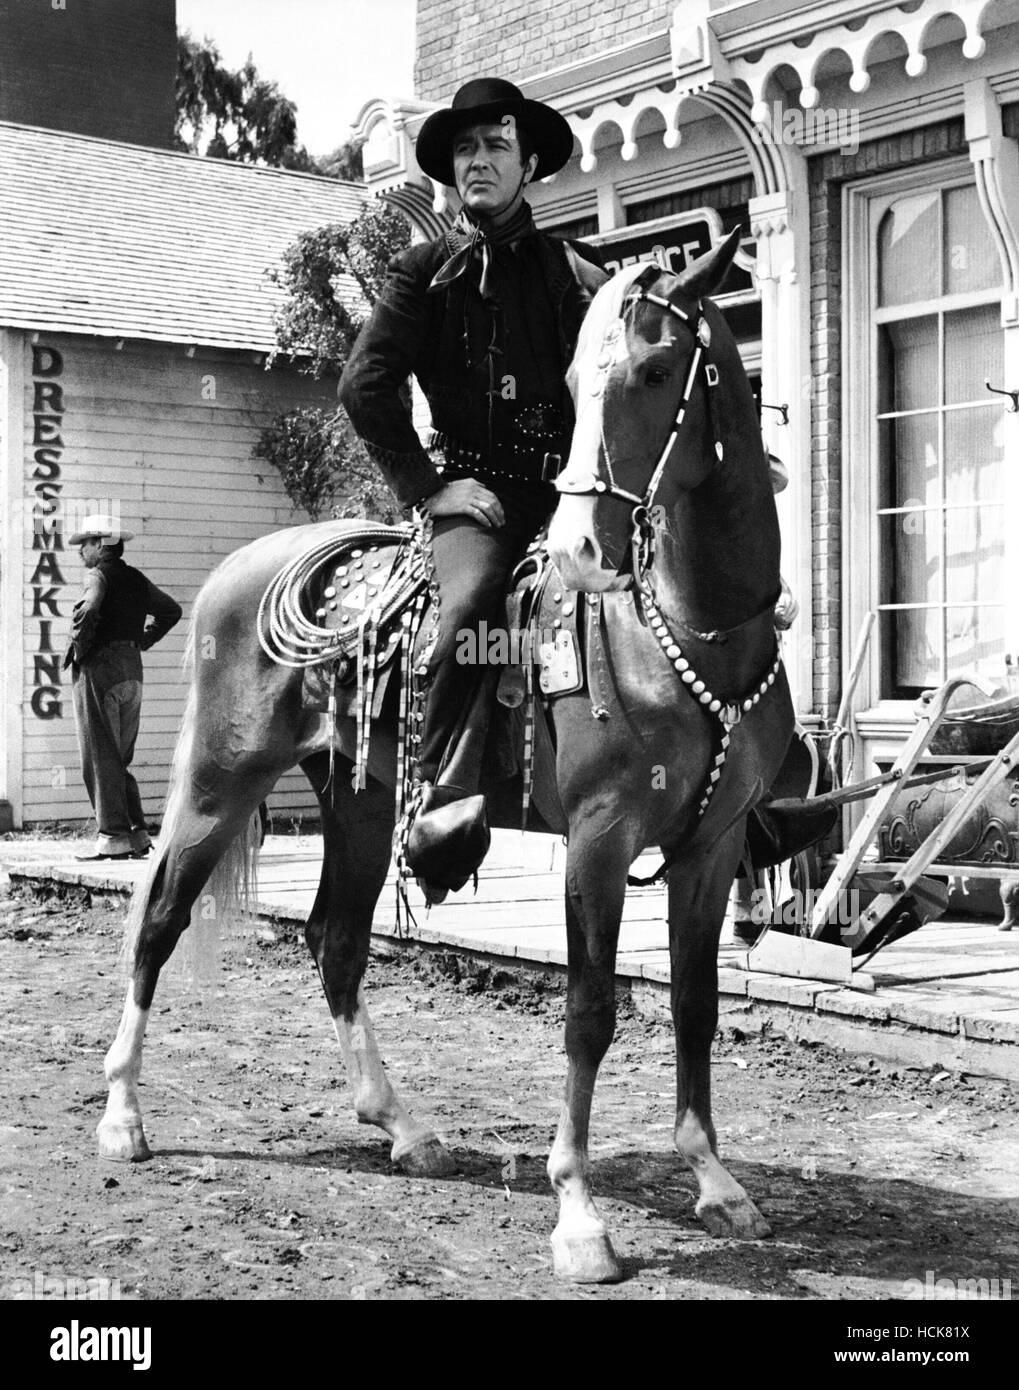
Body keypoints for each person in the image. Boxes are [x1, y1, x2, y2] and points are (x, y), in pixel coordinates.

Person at [339, 76, 606, 899]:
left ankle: (734, 784)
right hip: (477, 502)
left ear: (529, 163)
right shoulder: (423, 271)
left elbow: (610, 382)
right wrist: (430, 489)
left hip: (569, 491)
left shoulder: (573, 273)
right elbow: (364, 387)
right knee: (473, 602)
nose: (478, 162)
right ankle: (442, 797)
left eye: (494, 145)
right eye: (464, 149)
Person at [63, 514, 182, 861]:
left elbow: (88, 609)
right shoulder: (136, 579)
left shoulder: (97, 575)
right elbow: (171, 611)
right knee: (119, 757)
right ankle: (138, 835)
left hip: (100, 670)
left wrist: (78, 646)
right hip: (132, 672)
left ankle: (112, 838)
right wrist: (142, 641)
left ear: (101, 544)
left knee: (99, 757)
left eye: (85, 544)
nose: (80, 551)